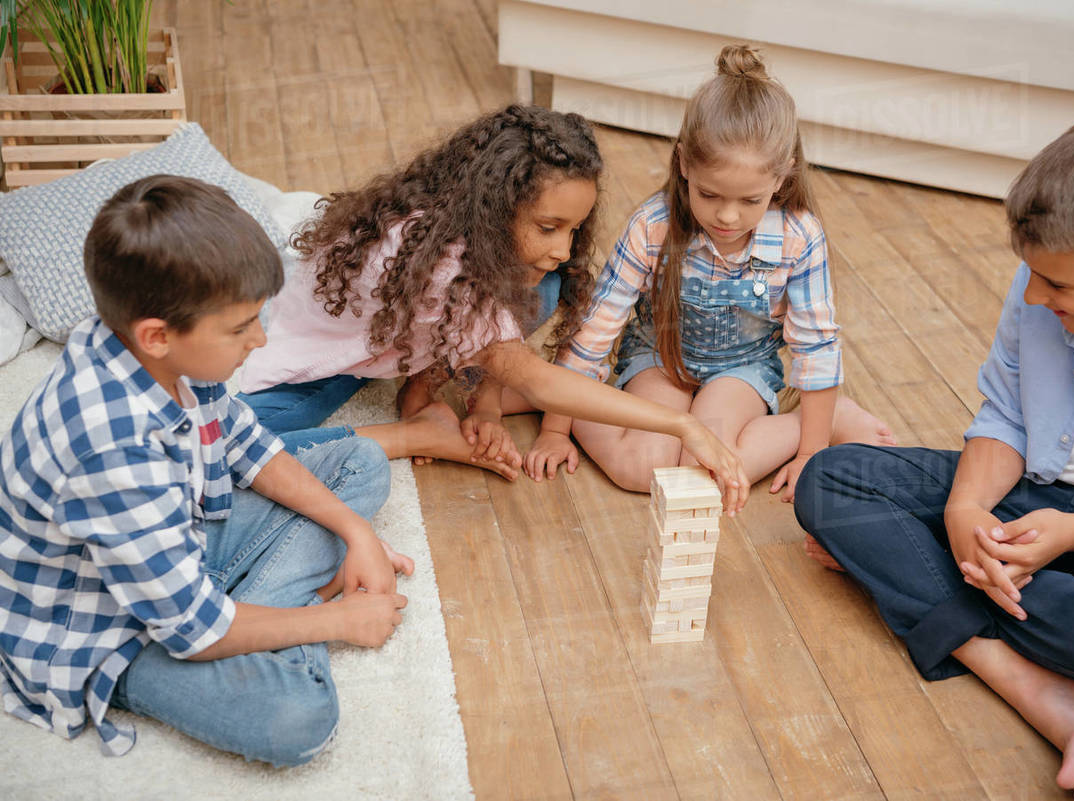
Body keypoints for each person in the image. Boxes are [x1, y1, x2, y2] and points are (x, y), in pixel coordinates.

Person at [794, 112, 1074, 800]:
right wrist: (965, 505)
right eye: (1031, 275)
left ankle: (920, 578)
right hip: (1029, 496)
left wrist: (1071, 531)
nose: (1033, 295)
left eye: (1058, 286)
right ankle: (1025, 677)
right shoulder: (1041, 280)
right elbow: (1007, 416)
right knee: (834, 480)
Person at [0, 175, 412, 765]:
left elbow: (248, 446)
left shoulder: (167, 358)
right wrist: (337, 622)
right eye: (241, 327)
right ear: (157, 336)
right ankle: (282, 608)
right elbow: (192, 633)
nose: (260, 339)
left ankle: (264, 603)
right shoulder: (110, 449)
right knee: (301, 719)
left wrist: (358, 533)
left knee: (360, 463)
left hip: (178, 542)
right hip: (109, 630)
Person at [240, 104, 748, 509]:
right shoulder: (434, 259)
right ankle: (418, 433)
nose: (565, 249)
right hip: (315, 363)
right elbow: (536, 378)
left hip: (395, 341)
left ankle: (421, 388)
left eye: (573, 228)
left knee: (544, 285)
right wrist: (683, 424)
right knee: (237, 453)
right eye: (549, 228)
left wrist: (486, 404)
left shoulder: (479, 249)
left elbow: (501, 338)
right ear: (492, 207)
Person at [526, 45, 893, 498]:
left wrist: (809, 452)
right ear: (684, 163)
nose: (728, 217)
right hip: (660, 358)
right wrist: (556, 430)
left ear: (782, 178)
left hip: (742, 369)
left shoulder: (800, 237)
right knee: (641, 469)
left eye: (750, 201)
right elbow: (596, 330)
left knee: (707, 471)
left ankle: (824, 419)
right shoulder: (652, 226)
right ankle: (549, 394)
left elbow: (816, 347)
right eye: (710, 194)